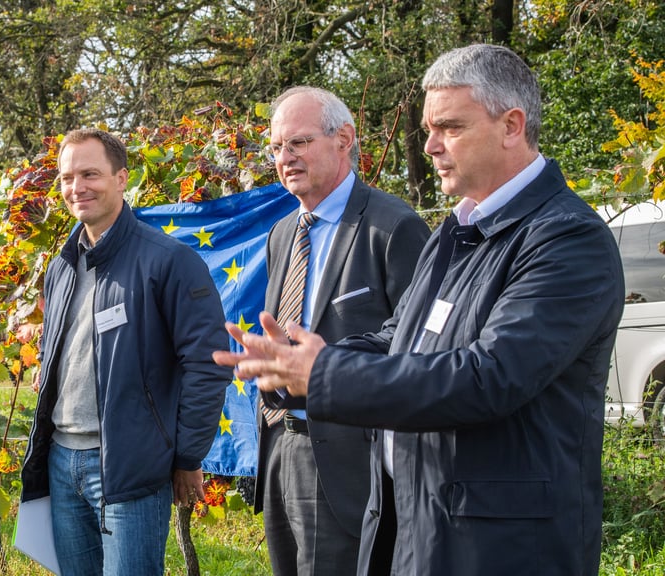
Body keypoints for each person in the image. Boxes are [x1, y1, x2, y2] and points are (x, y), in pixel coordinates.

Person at [215, 44, 625, 576]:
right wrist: (304, 359)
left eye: (449, 127)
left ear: (512, 125)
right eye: (430, 129)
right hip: (415, 523)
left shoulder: (566, 239)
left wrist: (326, 373)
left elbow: (489, 376)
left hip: (500, 544)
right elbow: (399, 336)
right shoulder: (458, 231)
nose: (429, 146)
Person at [19, 128, 230, 575]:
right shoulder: (61, 266)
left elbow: (206, 365)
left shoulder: (169, 261)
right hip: (61, 458)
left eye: (90, 174)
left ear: (121, 178)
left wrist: (188, 456)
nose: (77, 188)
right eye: (66, 177)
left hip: (130, 465)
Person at [255, 86, 429, 575]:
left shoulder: (394, 227)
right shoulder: (283, 232)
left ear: (344, 139)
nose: (284, 158)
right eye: (276, 148)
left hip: (351, 459)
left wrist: (327, 364)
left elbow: (415, 344)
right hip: (279, 447)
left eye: (299, 143)